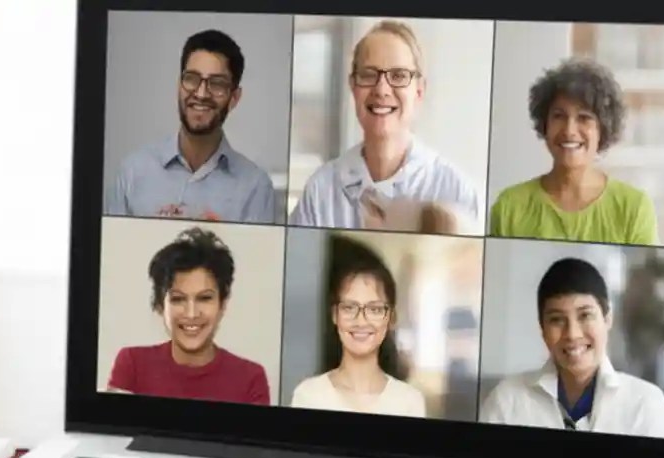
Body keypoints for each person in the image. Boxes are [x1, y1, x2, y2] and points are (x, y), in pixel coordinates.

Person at [289, 20, 479, 232]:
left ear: (419, 91)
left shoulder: (458, 193)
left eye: (398, 76)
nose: (381, 90)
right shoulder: (320, 192)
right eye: (369, 75)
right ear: (353, 86)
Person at [479, 257, 664, 437]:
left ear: (607, 319)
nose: (572, 334)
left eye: (585, 315)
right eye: (557, 320)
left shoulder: (645, 404)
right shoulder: (507, 400)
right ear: (542, 329)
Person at [105, 30, 278, 224]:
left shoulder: (255, 188)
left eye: (217, 84)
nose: (201, 94)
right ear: (179, 85)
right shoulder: (132, 172)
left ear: (234, 98)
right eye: (192, 79)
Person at [488, 58, 658, 245]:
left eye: (584, 118)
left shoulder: (633, 208)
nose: (569, 130)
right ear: (545, 124)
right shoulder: (509, 207)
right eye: (559, 116)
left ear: (603, 129)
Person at [107, 226, 271, 404]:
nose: (191, 314)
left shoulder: (250, 380)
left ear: (222, 304)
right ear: (161, 305)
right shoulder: (132, 365)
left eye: (204, 298)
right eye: (178, 299)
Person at [291, 238, 426, 417]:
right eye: (349, 308)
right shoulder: (308, 395)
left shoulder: (410, 401)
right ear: (334, 315)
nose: (361, 321)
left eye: (375, 309)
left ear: (391, 318)